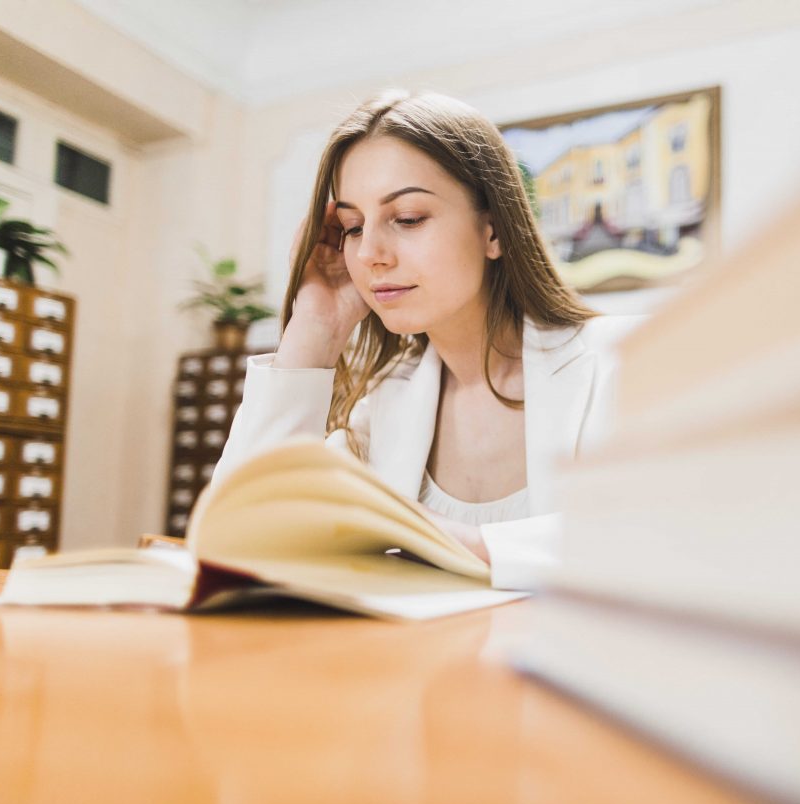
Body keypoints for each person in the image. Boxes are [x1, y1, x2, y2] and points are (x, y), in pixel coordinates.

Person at [213, 90, 642, 590]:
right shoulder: (381, 406)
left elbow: (689, 541)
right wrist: (316, 328)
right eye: (352, 227)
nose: (371, 252)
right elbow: (238, 544)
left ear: (494, 229)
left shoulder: (629, 360)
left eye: (409, 218)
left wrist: (459, 543)